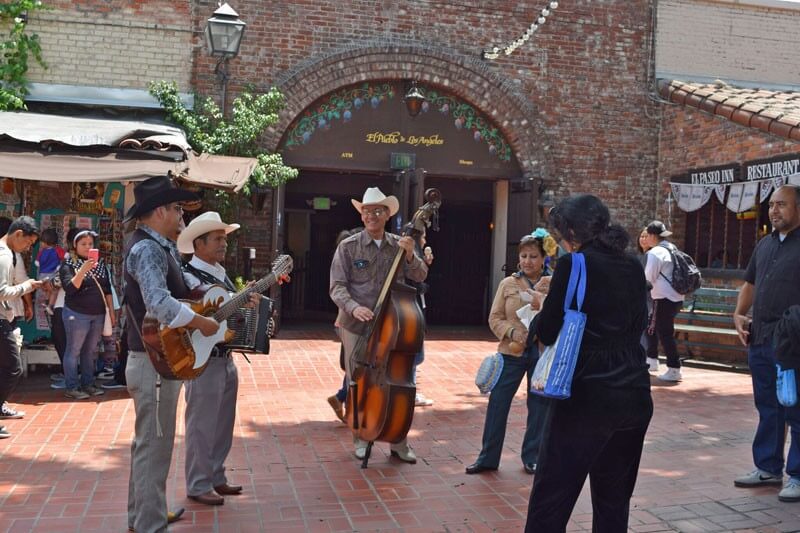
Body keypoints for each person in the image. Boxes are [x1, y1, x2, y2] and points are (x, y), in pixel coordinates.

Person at [525, 194, 652, 532]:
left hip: (587, 393)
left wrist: (541, 308)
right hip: (634, 392)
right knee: (613, 502)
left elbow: (549, 330)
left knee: (551, 499)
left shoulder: (574, 264)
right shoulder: (633, 266)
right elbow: (639, 324)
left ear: (569, 232)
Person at [123, 175, 217, 533]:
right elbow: (160, 304)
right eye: (177, 208)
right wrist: (199, 323)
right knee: (154, 446)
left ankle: (148, 513)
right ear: (159, 210)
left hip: (155, 360)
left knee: (151, 444)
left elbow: (188, 288)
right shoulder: (147, 248)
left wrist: (215, 295)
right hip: (151, 363)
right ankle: (149, 523)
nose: (181, 215)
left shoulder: (158, 246)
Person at [329, 186, 428, 463]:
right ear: (361, 216)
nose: (371, 215)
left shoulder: (400, 244)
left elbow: (420, 275)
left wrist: (410, 255)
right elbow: (336, 288)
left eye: (377, 211)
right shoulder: (348, 247)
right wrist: (354, 307)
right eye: (367, 211)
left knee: (398, 381)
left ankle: (398, 441)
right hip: (355, 324)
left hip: (391, 324)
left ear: (387, 215)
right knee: (357, 380)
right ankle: (360, 435)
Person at [177, 211, 253, 506]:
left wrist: (247, 300)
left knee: (222, 421)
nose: (224, 243)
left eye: (224, 238)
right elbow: (191, 309)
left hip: (224, 355)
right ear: (199, 243)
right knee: (201, 423)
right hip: (201, 358)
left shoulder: (221, 272)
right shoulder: (188, 274)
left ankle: (216, 476)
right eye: (217, 239)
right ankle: (198, 483)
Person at [466, 230, 554, 476]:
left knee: (539, 407)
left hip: (540, 353)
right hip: (511, 353)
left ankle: (533, 457)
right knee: (498, 404)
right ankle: (487, 458)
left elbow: (562, 316)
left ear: (543, 258)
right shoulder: (508, 284)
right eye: (524, 256)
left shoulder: (554, 283)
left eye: (534, 256)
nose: (528, 261)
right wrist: (512, 334)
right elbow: (495, 318)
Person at [732, 185, 800, 503]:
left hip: (793, 342)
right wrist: (738, 313)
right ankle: (768, 467)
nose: (774, 211)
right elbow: (751, 283)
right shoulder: (765, 244)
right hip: (761, 337)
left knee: (796, 409)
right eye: (771, 205)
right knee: (768, 407)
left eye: (781, 205)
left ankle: (798, 476)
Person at [0, 216, 45, 434]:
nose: (28, 248)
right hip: (1, 319)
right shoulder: (5, 256)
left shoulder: (8, 253)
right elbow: (2, 292)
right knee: (13, 368)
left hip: (4, 317)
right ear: (18, 234)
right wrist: (26, 287)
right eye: (28, 243)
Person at [59, 229, 113, 400]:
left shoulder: (100, 264)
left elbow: (107, 288)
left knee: (90, 351)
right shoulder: (68, 264)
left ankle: (88, 384)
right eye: (83, 244)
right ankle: (72, 386)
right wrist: (82, 270)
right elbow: (70, 288)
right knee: (73, 350)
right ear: (75, 245)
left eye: (90, 244)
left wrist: (111, 312)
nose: (87, 247)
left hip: (98, 314)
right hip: (77, 313)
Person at [327, 227, 363, 424]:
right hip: (351, 320)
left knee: (354, 364)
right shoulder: (349, 262)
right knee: (356, 365)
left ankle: (341, 397)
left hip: (343, 319)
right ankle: (345, 400)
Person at [642, 220, 685, 382]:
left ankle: (674, 368)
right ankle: (652, 359)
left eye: (647, 236)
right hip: (676, 297)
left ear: (653, 236)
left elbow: (648, 278)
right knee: (652, 327)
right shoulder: (672, 248)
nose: (646, 239)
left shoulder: (655, 253)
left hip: (662, 298)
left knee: (664, 332)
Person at [409, 229, 435, 407]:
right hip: (413, 310)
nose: (425, 240)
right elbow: (416, 285)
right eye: (423, 236)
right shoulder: (411, 257)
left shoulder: (418, 260)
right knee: (413, 356)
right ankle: (410, 391)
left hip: (417, 309)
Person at [637, 227, 657, 371]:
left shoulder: (651, 255)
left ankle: (647, 356)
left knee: (646, 327)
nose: (643, 239)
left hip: (649, 297)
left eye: (646, 236)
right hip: (641, 296)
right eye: (641, 236)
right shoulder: (641, 256)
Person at [36, 228, 65, 315]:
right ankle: (50, 305)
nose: (41, 244)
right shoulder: (57, 249)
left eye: (41, 242)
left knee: (48, 290)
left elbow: (37, 262)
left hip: (42, 275)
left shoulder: (42, 251)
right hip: (52, 274)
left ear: (45, 242)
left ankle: (46, 302)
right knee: (54, 291)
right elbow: (65, 256)